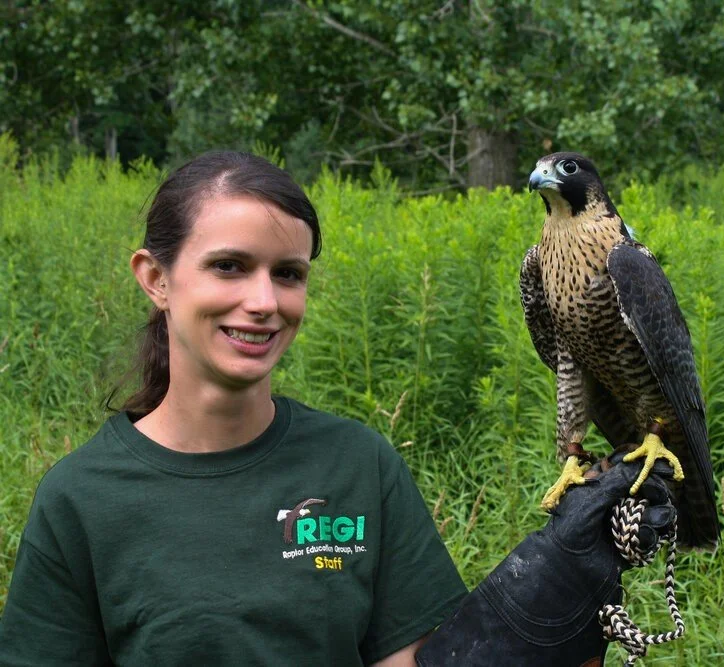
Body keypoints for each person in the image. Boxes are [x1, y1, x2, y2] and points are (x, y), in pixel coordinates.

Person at [0, 151, 678, 666]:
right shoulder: (83, 500)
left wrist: (565, 595)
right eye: (230, 266)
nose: (264, 300)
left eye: (288, 273)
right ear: (155, 278)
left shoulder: (357, 465)